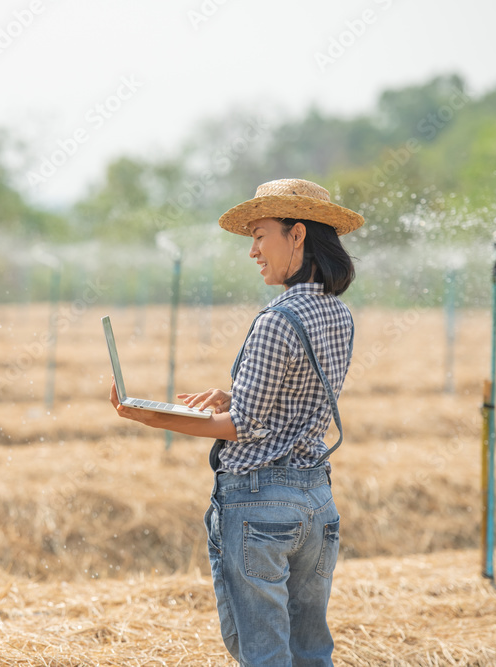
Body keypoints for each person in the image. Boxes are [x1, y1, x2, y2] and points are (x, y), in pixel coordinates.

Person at [110, 178, 363, 666]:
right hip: (316, 501)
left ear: (298, 235)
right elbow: (302, 398)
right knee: (311, 651)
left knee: (263, 654)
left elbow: (241, 426)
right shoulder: (340, 314)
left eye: (261, 234)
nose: (252, 251)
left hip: (260, 505)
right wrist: (235, 394)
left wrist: (152, 416)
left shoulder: (277, 319)